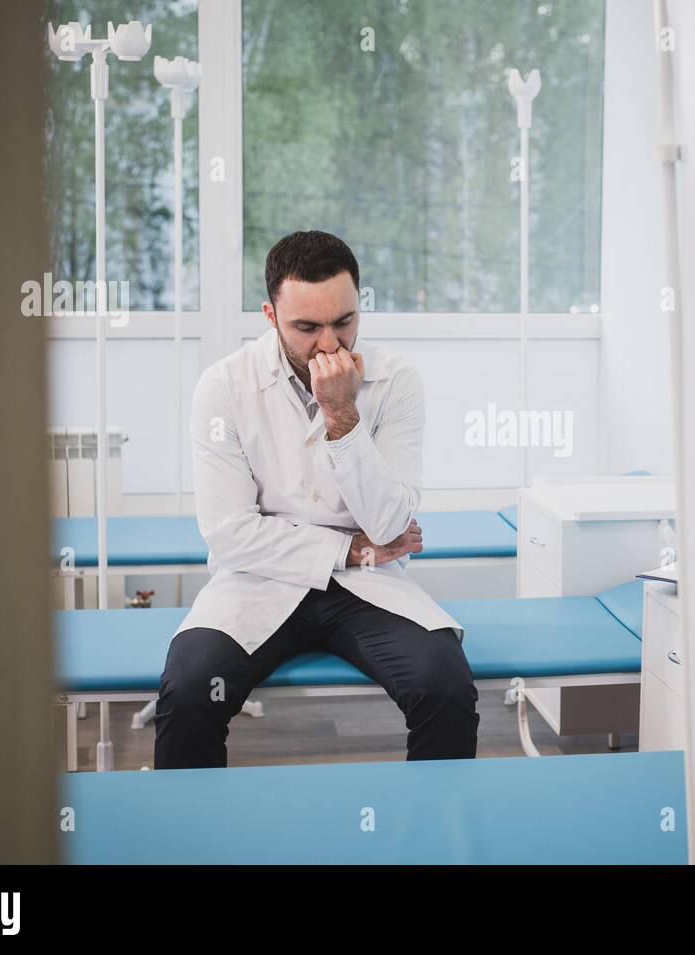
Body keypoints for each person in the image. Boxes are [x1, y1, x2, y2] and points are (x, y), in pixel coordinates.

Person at [154, 230, 479, 768]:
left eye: (344, 322)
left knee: (443, 687)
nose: (329, 345)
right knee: (190, 692)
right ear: (270, 315)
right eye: (306, 327)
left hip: (367, 587)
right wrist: (350, 548)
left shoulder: (397, 380)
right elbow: (230, 533)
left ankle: (434, 842)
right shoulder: (223, 388)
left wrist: (342, 417)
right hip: (259, 581)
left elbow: (391, 519)